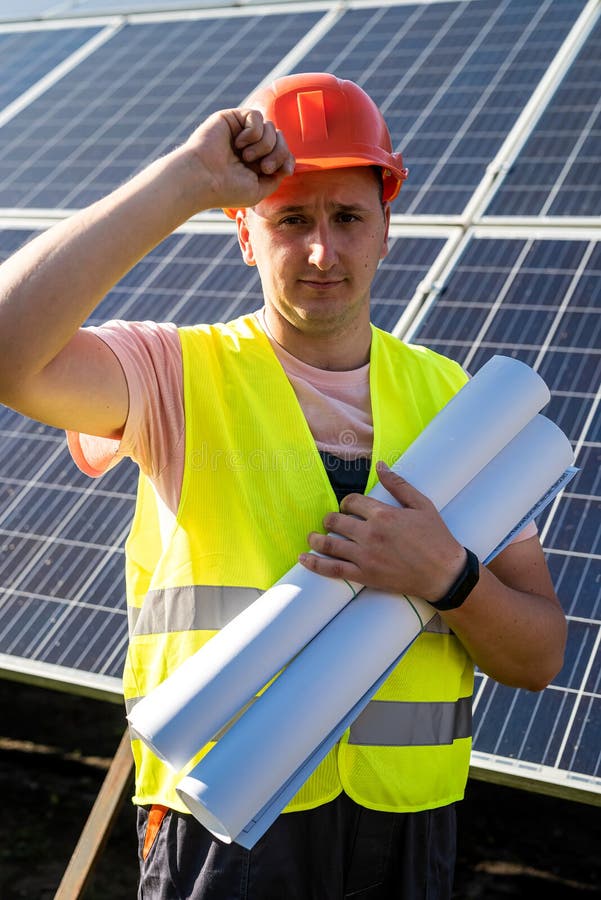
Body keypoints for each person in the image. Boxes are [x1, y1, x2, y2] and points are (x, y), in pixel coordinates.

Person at [0, 73, 566, 899]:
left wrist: (447, 578)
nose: (321, 251)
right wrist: (185, 180)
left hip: (404, 831)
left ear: (385, 230)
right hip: (217, 813)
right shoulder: (174, 374)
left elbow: (538, 655)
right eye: (290, 219)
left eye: (347, 218)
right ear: (243, 234)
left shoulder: (462, 407)